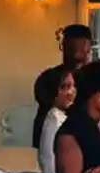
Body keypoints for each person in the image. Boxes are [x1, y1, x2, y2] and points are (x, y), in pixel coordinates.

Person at [34, 24, 94, 156]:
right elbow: (49, 109)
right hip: (52, 146)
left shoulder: (95, 78)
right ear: (64, 45)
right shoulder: (48, 78)